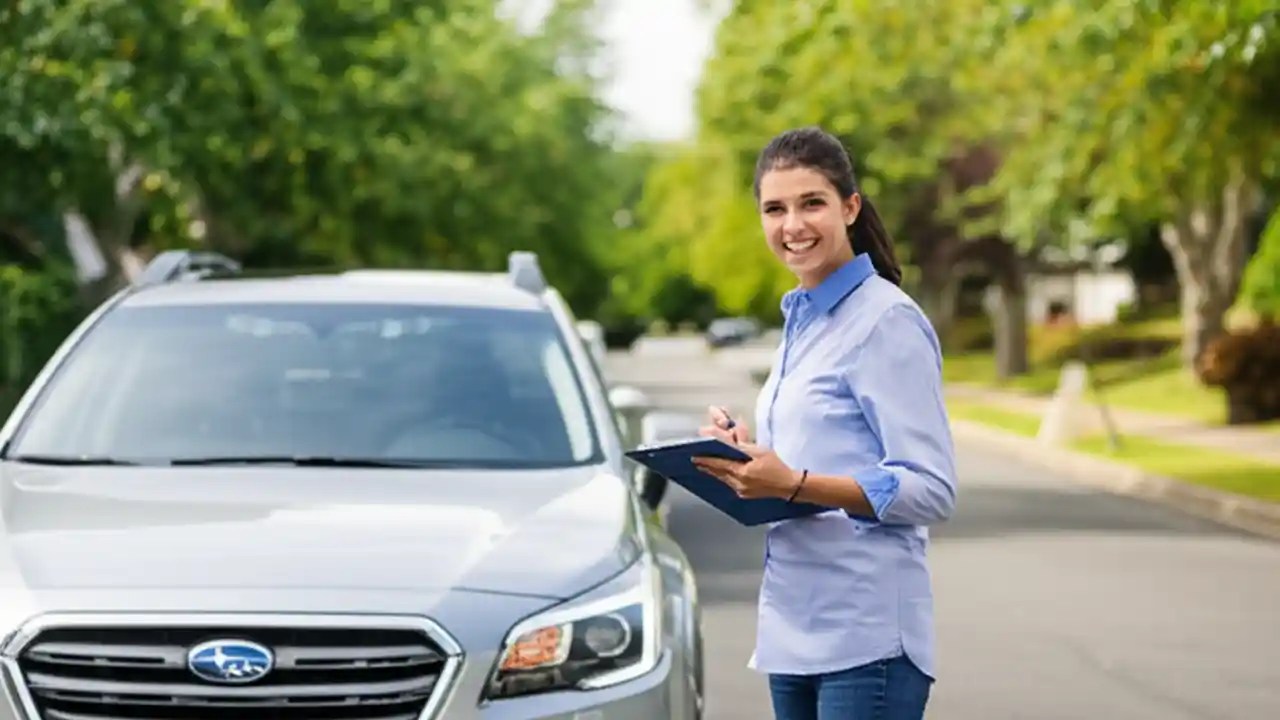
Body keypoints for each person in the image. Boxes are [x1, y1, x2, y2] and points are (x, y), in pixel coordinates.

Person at [692, 126, 958, 720]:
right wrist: (744, 459)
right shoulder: (802, 322)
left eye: (811, 202)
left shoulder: (886, 320)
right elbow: (818, 454)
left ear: (850, 206)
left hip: (866, 637)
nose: (794, 225)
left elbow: (932, 488)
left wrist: (792, 483)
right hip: (792, 628)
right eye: (775, 208)